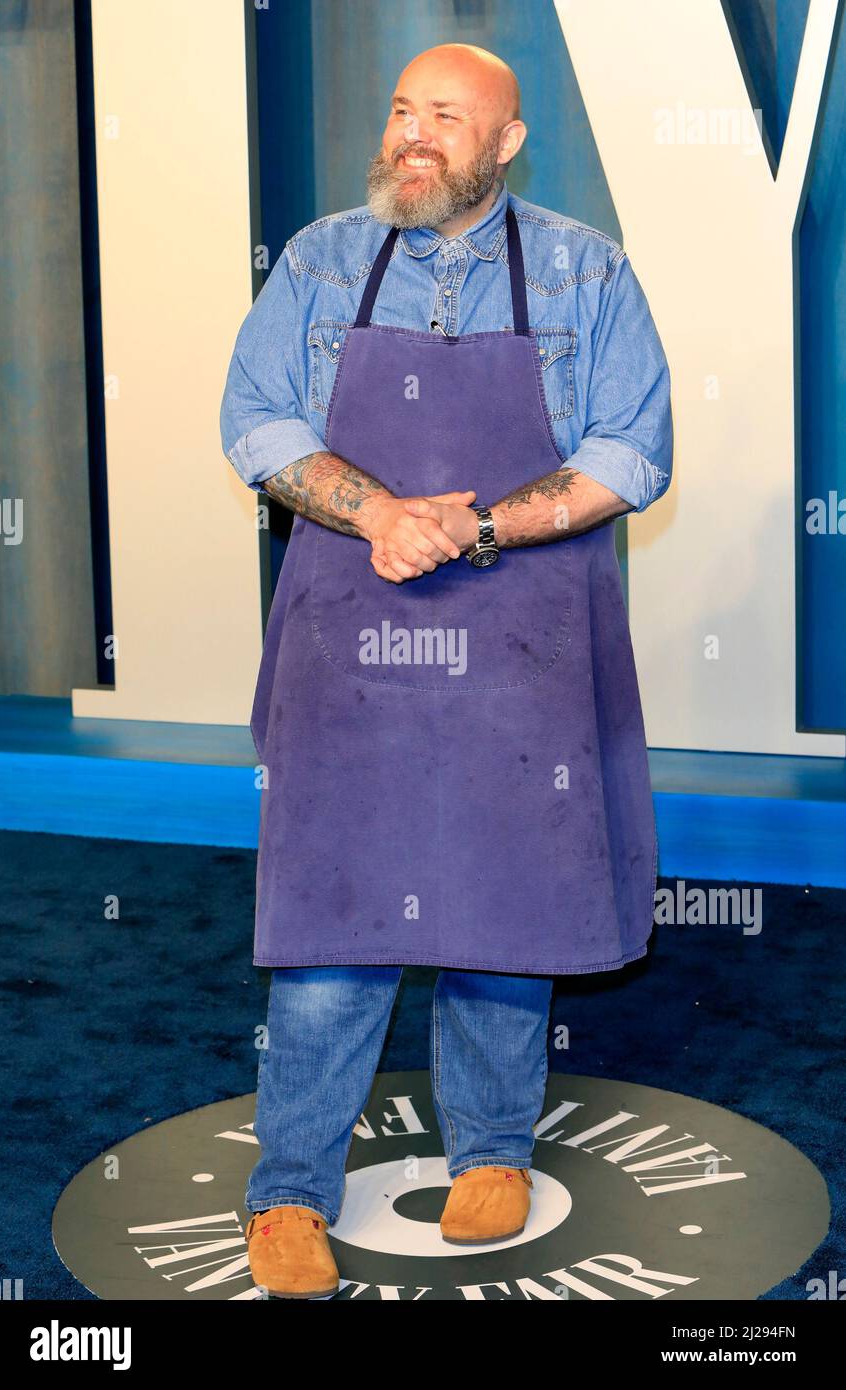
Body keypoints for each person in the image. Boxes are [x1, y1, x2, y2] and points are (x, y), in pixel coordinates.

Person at [219, 42, 672, 1299]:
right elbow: (255, 419)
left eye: (449, 119)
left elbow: (632, 448)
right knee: (327, 919)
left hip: (520, 636)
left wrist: (470, 527)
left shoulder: (585, 270)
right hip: (347, 631)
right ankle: (290, 1190)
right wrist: (378, 515)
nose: (415, 136)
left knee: (503, 898)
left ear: (506, 144)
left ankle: (490, 1150)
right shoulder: (315, 259)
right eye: (403, 111)